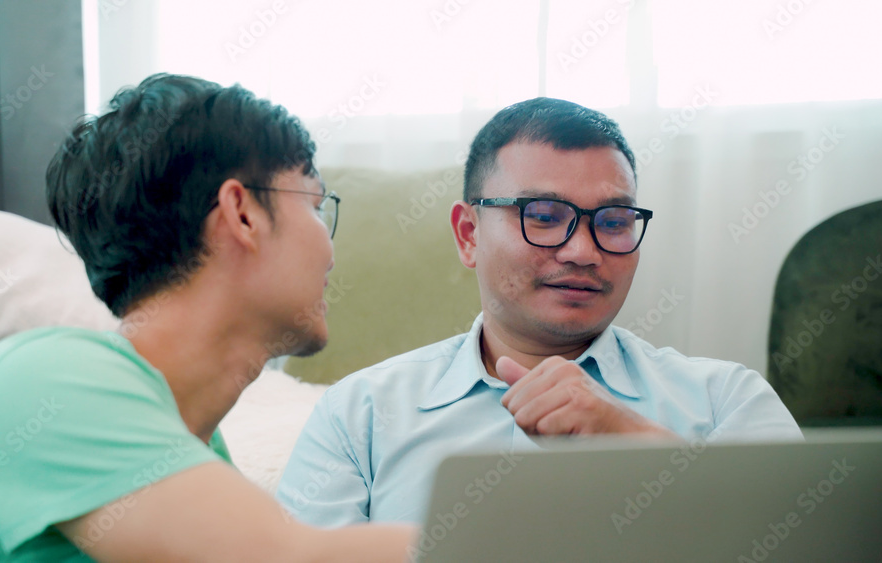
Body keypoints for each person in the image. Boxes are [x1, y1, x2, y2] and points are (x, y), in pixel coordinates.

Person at [0, 74, 415, 561]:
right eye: (316, 204)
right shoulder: (52, 381)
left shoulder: (196, 450)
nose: (330, 248)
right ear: (243, 212)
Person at [276, 97, 803, 527]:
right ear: (468, 235)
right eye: (545, 216)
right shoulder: (360, 413)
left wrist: (627, 440)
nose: (582, 251)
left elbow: (809, 544)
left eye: (614, 221)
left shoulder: (727, 400)